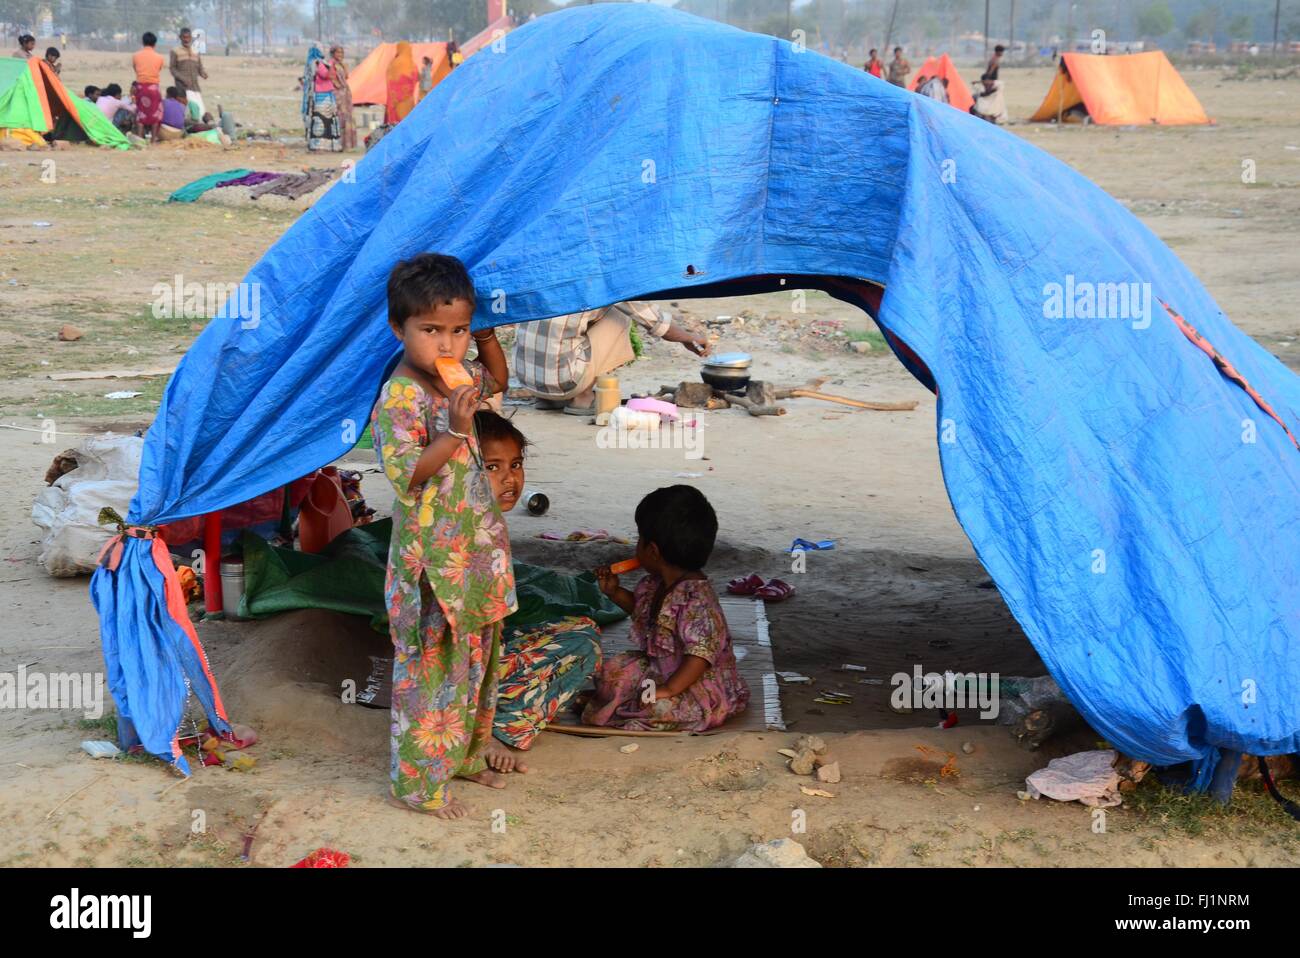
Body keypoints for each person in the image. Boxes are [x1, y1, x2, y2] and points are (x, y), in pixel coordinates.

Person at [369, 253, 515, 819]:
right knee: (431, 667)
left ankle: (468, 757)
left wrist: (488, 338)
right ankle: (418, 785)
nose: (447, 346)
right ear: (398, 329)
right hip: (432, 559)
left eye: (457, 330)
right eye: (431, 331)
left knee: (479, 656)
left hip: (474, 549)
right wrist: (454, 430)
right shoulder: (401, 395)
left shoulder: (459, 377)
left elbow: (497, 380)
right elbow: (408, 472)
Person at [474, 410, 602, 755]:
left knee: (582, 628)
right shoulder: (466, 534)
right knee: (581, 646)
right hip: (463, 663)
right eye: (492, 467)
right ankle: (497, 728)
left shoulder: (490, 524)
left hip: (486, 650)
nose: (509, 478)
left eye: (515, 465)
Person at [582, 485, 749, 731]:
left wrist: (669, 689)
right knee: (615, 670)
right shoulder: (657, 584)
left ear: (653, 551)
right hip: (662, 669)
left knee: (660, 707)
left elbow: (699, 657)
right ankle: (619, 705)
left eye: (639, 539)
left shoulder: (698, 601)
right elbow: (646, 614)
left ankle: (619, 710)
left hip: (693, 684)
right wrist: (614, 592)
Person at [514, 302, 709, 415]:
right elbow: (657, 324)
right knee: (619, 314)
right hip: (565, 383)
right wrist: (691, 338)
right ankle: (582, 399)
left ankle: (547, 399)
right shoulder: (605, 272)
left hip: (528, 379)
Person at [302, 45, 340, 152]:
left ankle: (320, 143)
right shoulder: (317, 63)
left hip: (319, 95)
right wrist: (332, 64)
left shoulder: (312, 63)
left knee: (322, 120)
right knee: (323, 120)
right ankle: (321, 144)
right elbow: (326, 75)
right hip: (322, 96)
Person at [132, 32, 166, 143]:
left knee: (141, 113)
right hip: (153, 88)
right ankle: (153, 140)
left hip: (141, 87)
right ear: (155, 43)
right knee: (155, 114)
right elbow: (158, 70)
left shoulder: (136, 56)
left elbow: (136, 70)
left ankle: (140, 138)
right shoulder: (160, 57)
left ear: (143, 42)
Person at [170, 27, 209, 119]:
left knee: (201, 110)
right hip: (182, 87)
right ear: (180, 37)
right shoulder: (175, 51)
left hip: (195, 86)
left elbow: (199, 66)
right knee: (189, 112)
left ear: (191, 38)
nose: (186, 40)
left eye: (188, 37)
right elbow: (172, 69)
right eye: (184, 37)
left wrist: (203, 73)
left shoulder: (196, 51)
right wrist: (183, 79)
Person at [328, 45, 357, 150]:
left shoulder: (341, 64)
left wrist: (344, 67)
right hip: (338, 94)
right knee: (340, 118)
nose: (340, 55)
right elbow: (331, 78)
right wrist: (339, 88)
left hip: (345, 93)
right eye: (338, 52)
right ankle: (338, 143)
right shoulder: (331, 64)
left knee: (347, 117)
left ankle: (347, 144)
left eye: (342, 53)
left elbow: (346, 76)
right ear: (333, 53)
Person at [385, 41, 419, 124]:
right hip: (407, 101)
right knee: (407, 122)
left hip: (393, 100)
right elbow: (416, 77)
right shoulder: (411, 64)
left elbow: (388, 79)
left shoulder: (393, 63)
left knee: (394, 124)